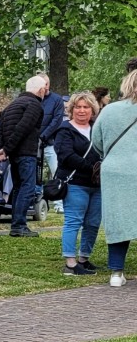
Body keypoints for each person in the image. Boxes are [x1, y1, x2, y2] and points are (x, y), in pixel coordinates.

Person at [90, 69, 137, 286]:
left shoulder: (109, 110)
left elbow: (96, 141)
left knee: (118, 219)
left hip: (115, 170)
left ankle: (116, 272)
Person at [54, 92, 103, 275]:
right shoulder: (64, 130)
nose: (82, 110)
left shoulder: (97, 128)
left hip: (97, 185)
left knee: (93, 223)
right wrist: (91, 168)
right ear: (72, 109)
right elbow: (66, 156)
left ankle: (84, 258)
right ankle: (70, 263)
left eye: (86, 107)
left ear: (92, 109)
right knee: (73, 221)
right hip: (75, 183)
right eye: (78, 107)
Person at [0, 75, 48, 238]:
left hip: (13, 154)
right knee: (28, 187)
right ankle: (19, 225)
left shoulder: (11, 105)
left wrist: (3, 150)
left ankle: (16, 224)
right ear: (41, 90)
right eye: (45, 88)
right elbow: (23, 128)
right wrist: (7, 149)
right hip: (26, 152)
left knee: (18, 187)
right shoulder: (34, 105)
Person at [37, 74, 66, 213]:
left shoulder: (56, 100)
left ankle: (59, 203)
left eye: (46, 84)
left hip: (51, 142)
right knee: (32, 173)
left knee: (56, 171)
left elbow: (57, 120)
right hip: (34, 143)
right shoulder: (33, 99)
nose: (44, 87)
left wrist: (43, 136)